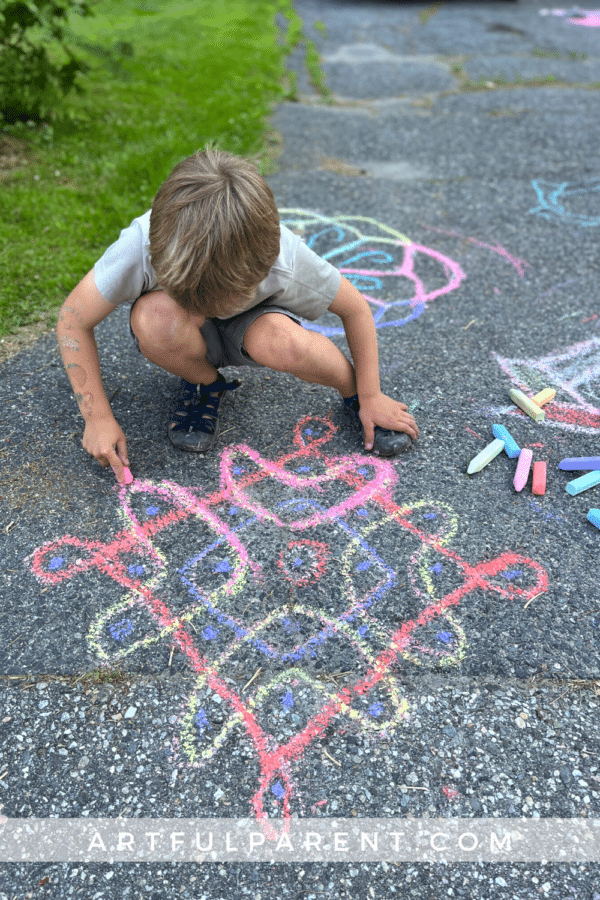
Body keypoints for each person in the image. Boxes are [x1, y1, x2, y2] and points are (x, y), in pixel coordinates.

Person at [56, 148, 419, 484]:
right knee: (155, 319)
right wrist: (97, 417)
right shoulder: (140, 246)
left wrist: (371, 393)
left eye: (217, 302)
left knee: (288, 343)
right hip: (180, 332)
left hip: (257, 327)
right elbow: (73, 319)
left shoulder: (285, 257)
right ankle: (205, 383)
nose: (207, 311)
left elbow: (355, 308)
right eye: (196, 301)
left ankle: (355, 395)